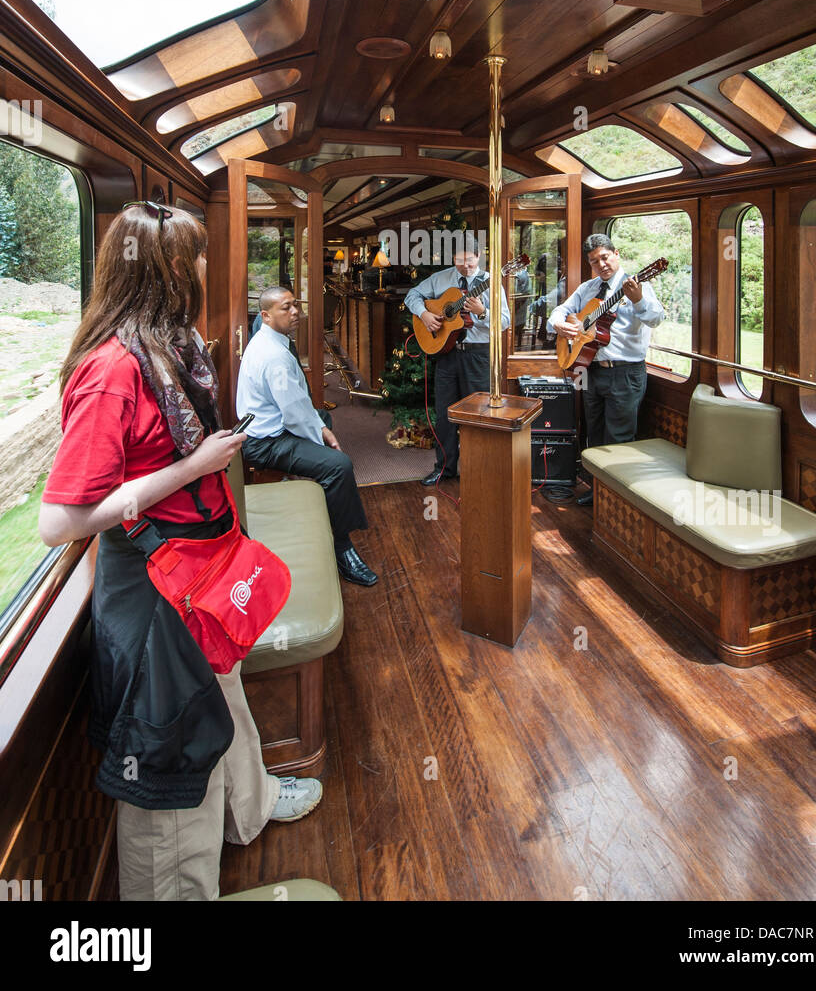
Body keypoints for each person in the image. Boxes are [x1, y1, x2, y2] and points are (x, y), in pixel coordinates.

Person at [38, 200, 321, 903]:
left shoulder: (170, 347)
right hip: (154, 592)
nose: (205, 268)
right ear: (168, 271)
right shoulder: (114, 371)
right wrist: (194, 469)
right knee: (168, 755)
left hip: (197, 576)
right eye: (195, 257)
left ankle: (247, 809)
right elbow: (59, 521)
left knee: (221, 697)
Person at [237, 286, 378, 586]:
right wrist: (321, 438)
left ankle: (320, 493)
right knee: (338, 466)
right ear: (265, 315)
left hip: (271, 426)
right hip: (265, 443)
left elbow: (299, 407)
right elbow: (293, 412)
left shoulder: (267, 338)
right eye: (285, 308)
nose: (295, 312)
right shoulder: (273, 355)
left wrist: (319, 427)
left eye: (295, 306)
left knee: (323, 418)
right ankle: (342, 547)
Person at [549, 233, 665, 506]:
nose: (601, 264)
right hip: (590, 370)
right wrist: (559, 323)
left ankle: (616, 503)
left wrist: (637, 300)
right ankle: (596, 491)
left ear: (616, 254)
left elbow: (656, 318)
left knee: (619, 438)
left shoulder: (637, 285)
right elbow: (561, 310)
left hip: (625, 373)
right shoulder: (588, 288)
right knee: (595, 434)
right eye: (594, 261)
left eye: (604, 257)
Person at [404, 236, 511, 485]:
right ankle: (444, 468)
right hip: (447, 354)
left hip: (478, 356)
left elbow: (504, 322)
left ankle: (480, 471)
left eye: (471, 260)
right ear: (454, 259)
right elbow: (412, 295)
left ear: (479, 258)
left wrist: (482, 312)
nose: (466, 266)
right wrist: (425, 314)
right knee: (445, 415)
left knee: (480, 415)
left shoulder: (491, 282)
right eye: (460, 261)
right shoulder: (441, 279)